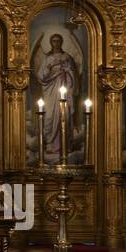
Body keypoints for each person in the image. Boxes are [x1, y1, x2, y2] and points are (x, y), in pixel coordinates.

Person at [35, 33, 79, 161]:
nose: (56, 43)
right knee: (49, 116)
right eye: (53, 41)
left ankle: (66, 144)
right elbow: (41, 76)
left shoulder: (67, 57)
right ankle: (50, 143)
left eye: (58, 40)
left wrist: (66, 70)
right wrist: (50, 68)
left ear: (62, 42)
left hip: (64, 90)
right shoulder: (47, 58)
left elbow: (74, 75)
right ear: (51, 42)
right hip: (51, 92)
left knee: (65, 115)